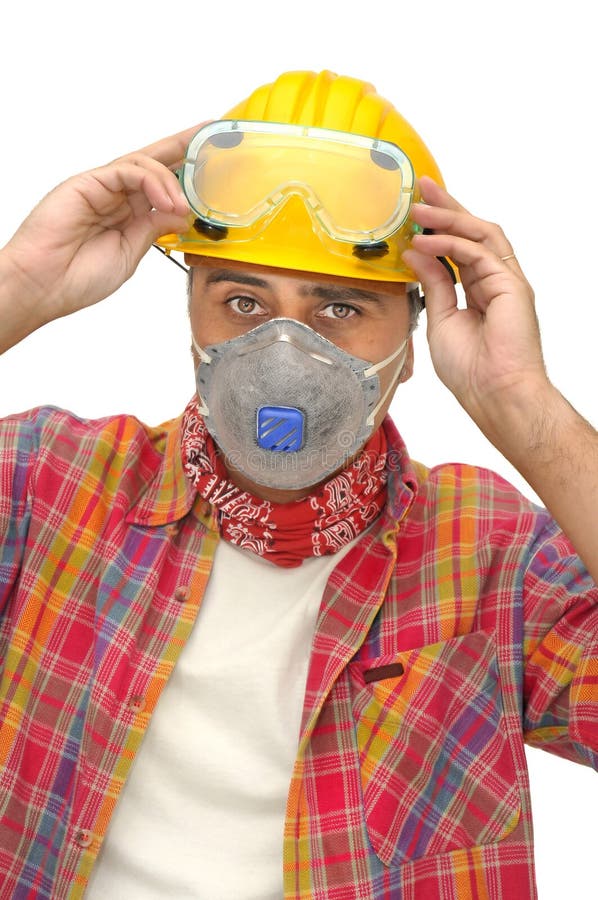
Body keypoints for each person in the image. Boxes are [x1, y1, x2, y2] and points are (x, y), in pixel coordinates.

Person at [0, 69, 596, 900]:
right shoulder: (46, 488)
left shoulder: (492, 557)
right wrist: (18, 286)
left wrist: (523, 404)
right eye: (243, 300)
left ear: (415, 333)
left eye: (341, 308)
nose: (283, 351)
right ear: (190, 308)